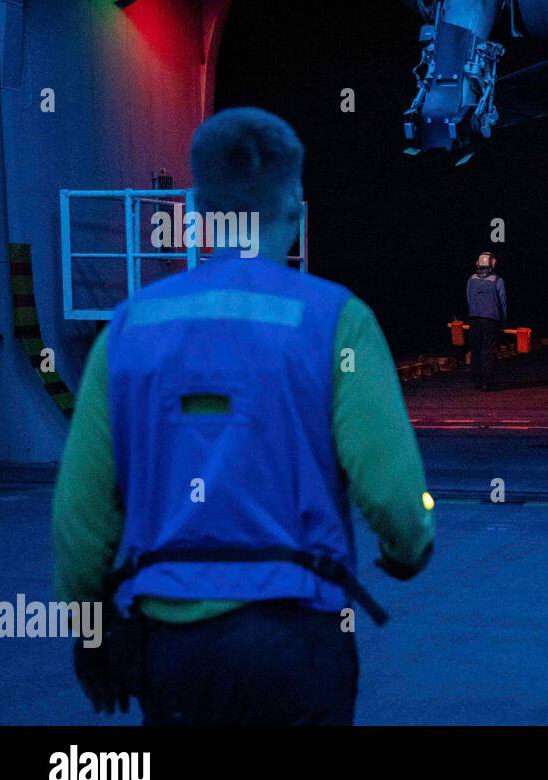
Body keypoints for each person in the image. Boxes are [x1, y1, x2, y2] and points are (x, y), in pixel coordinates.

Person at [51, 107, 435, 725]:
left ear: (198, 213)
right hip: (298, 648)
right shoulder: (336, 320)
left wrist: (91, 631)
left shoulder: (129, 327)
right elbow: (392, 489)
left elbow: (80, 514)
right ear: (297, 208)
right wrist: (408, 548)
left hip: (172, 654)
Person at [467, 251, 507, 391]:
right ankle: (486, 382)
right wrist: (503, 321)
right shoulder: (497, 280)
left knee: (476, 350)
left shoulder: (471, 279)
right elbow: (502, 302)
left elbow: (469, 299)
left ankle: (476, 380)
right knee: (487, 351)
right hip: (491, 320)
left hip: (474, 319)